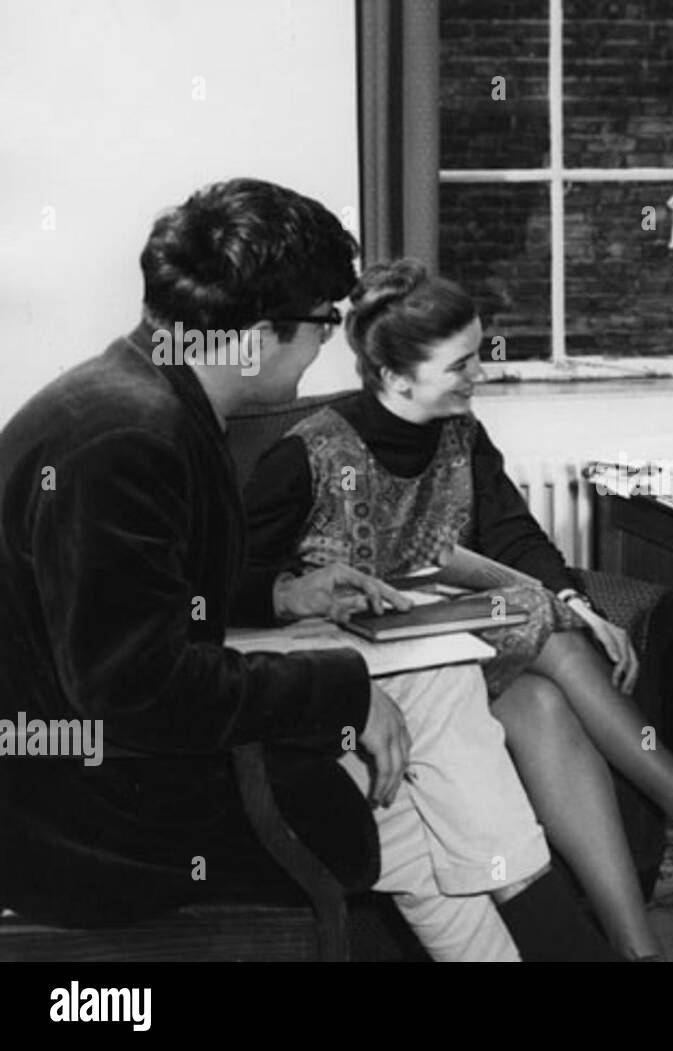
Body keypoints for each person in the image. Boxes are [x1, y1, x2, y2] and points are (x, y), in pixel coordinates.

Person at [0, 178, 614, 962]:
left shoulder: (145, 395)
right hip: (92, 813)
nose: (332, 341)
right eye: (324, 322)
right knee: (426, 803)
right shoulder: (129, 441)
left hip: (106, 765)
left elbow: (143, 598)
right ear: (258, 337)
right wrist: (341, 693)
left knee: (438, 696)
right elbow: (134, 688)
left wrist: (281, 593)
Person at [243, 259, 673, 960]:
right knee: (551, 674)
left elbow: (514, 535)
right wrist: (298, 589)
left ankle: (639, 943)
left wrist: (577, 602)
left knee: (556, 648)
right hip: (365, 681)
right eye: (460, 364)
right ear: (396, 377)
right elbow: (234, 584)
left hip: (449, 662)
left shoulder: (461, 432)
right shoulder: (303, 454)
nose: (479, 375)